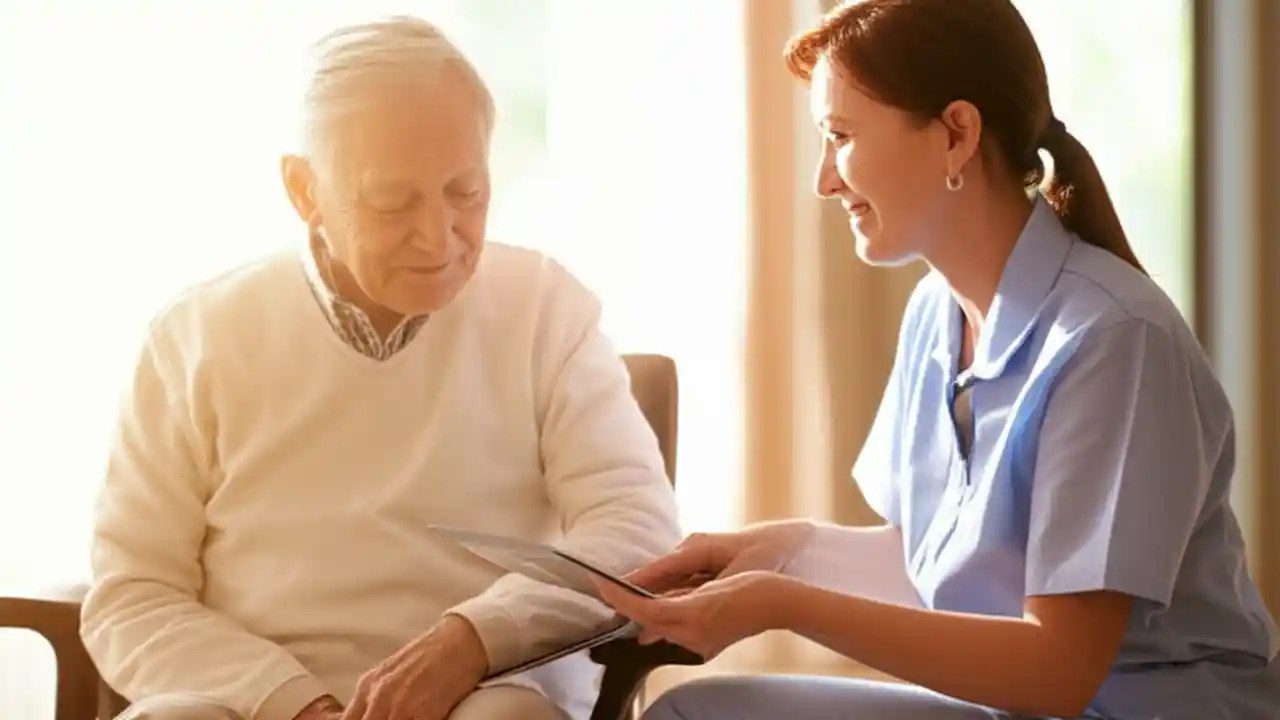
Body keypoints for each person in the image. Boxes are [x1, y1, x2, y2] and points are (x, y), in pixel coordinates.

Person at [595, 1, 1280, 718]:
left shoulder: (1113, 338)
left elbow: (1060, 669)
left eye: (841, 136)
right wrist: (777, 551)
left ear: (957, 134)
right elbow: (952, 570)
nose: (824, 180)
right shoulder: (935, 314)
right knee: (701, 712)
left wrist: (782, 603)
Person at [80, 16, 680, 720]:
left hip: (487, 689)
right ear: (305, 191)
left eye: (466, 192)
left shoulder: (546, 309)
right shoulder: (195, 334)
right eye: (393, 201)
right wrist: (294, 702)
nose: (438, 237)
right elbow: (133, 591)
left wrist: (473, 640)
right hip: (248, 701)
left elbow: (635, 528)